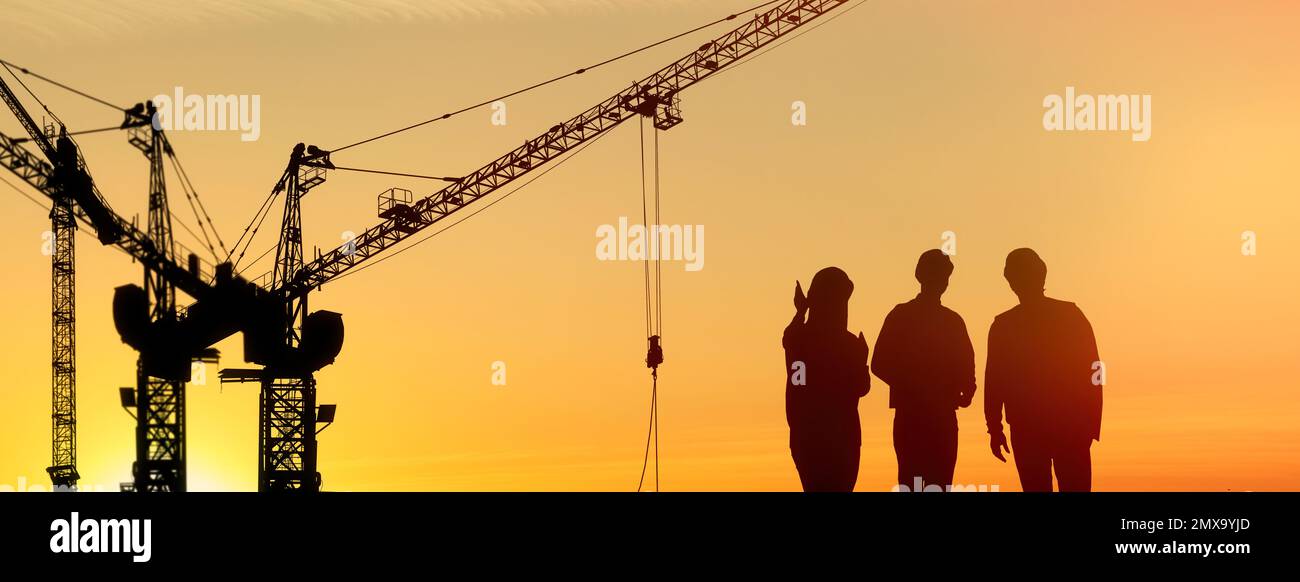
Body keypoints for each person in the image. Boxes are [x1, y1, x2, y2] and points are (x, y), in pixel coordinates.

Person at [985, 248, 1103, 492]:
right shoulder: (1070, 316)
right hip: (1059, 428)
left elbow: (1094, 368)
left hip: (1053, 429)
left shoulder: (1004, 326)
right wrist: (1090, 424)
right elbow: (1095, 369)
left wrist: (995, 428)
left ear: (1011, 282)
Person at [871, 250, 975, 491]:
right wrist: (915, 385)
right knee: (919, 483)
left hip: (935, 417)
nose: (942, 282)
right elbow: (879, 363)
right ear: (921, 276)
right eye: (938, 276)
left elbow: (967, 366)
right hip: (916, 418)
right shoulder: (905, 316)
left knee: (930, 483)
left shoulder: (950, 321)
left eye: (944, 277)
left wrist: (966, 389)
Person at [784, 267, 871, 492]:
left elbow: (798, 378)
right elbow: (861, 387)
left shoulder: (800, 339)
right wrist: (861, 361)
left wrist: (801, 311)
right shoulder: (847, 344)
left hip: (814, 437)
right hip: (833, 438)